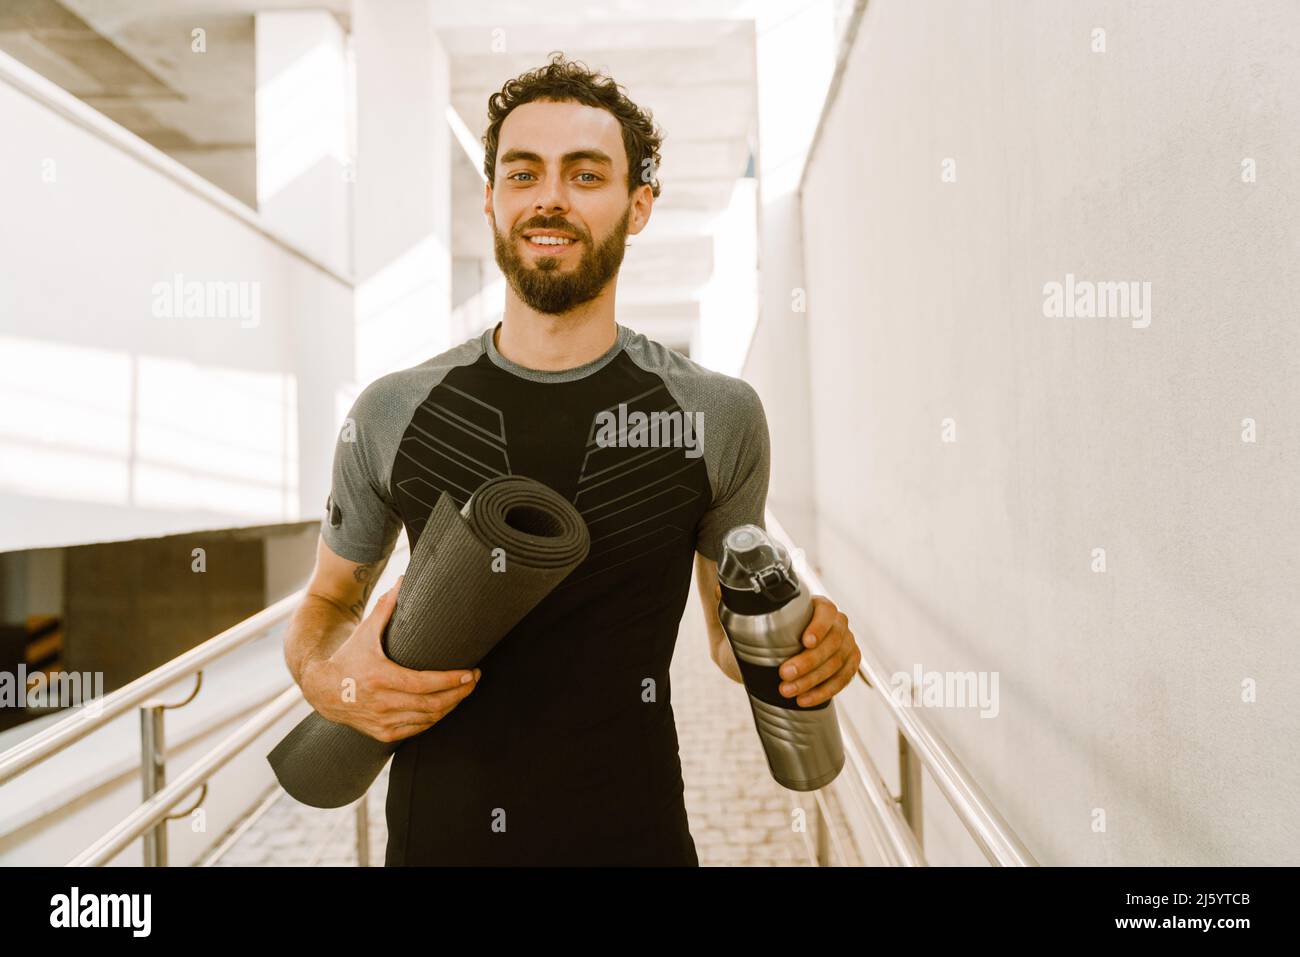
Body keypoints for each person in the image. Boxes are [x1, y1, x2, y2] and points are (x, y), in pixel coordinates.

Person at [282, 52, 862, 866]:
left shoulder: (715, 415)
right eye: (523, 174)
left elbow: (729, 639)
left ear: (639, 205)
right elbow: (328, 602)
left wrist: (801, 647)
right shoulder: (393, 410)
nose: (549, 196)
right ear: (491, 200)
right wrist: (333, 681)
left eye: (586, 175)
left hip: (638, 842)